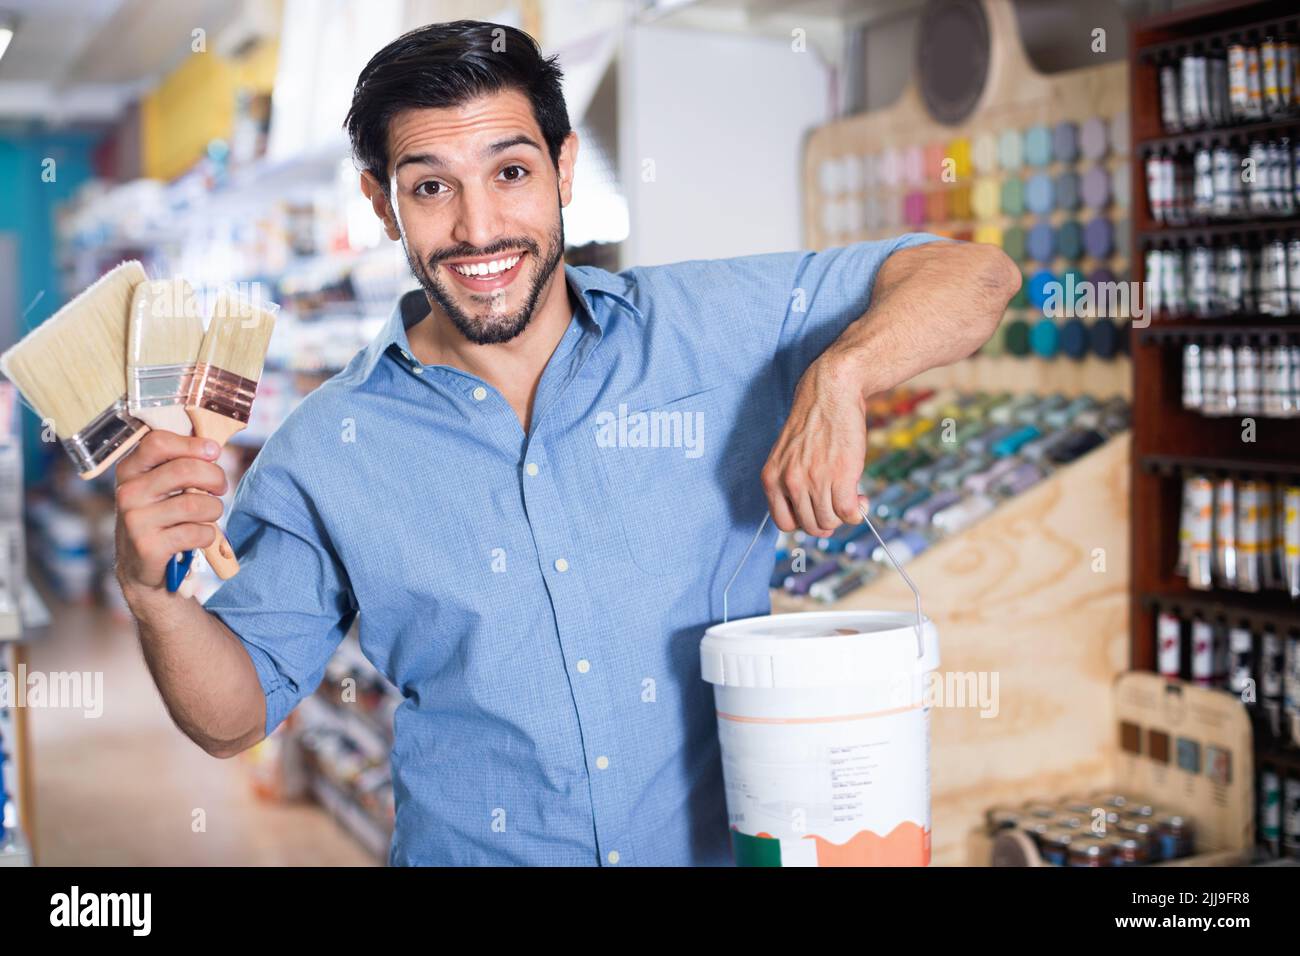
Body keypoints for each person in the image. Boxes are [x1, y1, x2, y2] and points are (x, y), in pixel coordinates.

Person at [114, 20, 1019, 866]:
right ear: (382, 205)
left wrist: (841, 375)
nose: (478, 231)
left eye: (510, 172)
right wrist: (153, 598)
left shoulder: (708, 328)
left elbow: (974, 274)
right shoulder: (326, 450)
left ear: (564, 167)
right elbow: (232, 718)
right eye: (431, 186)